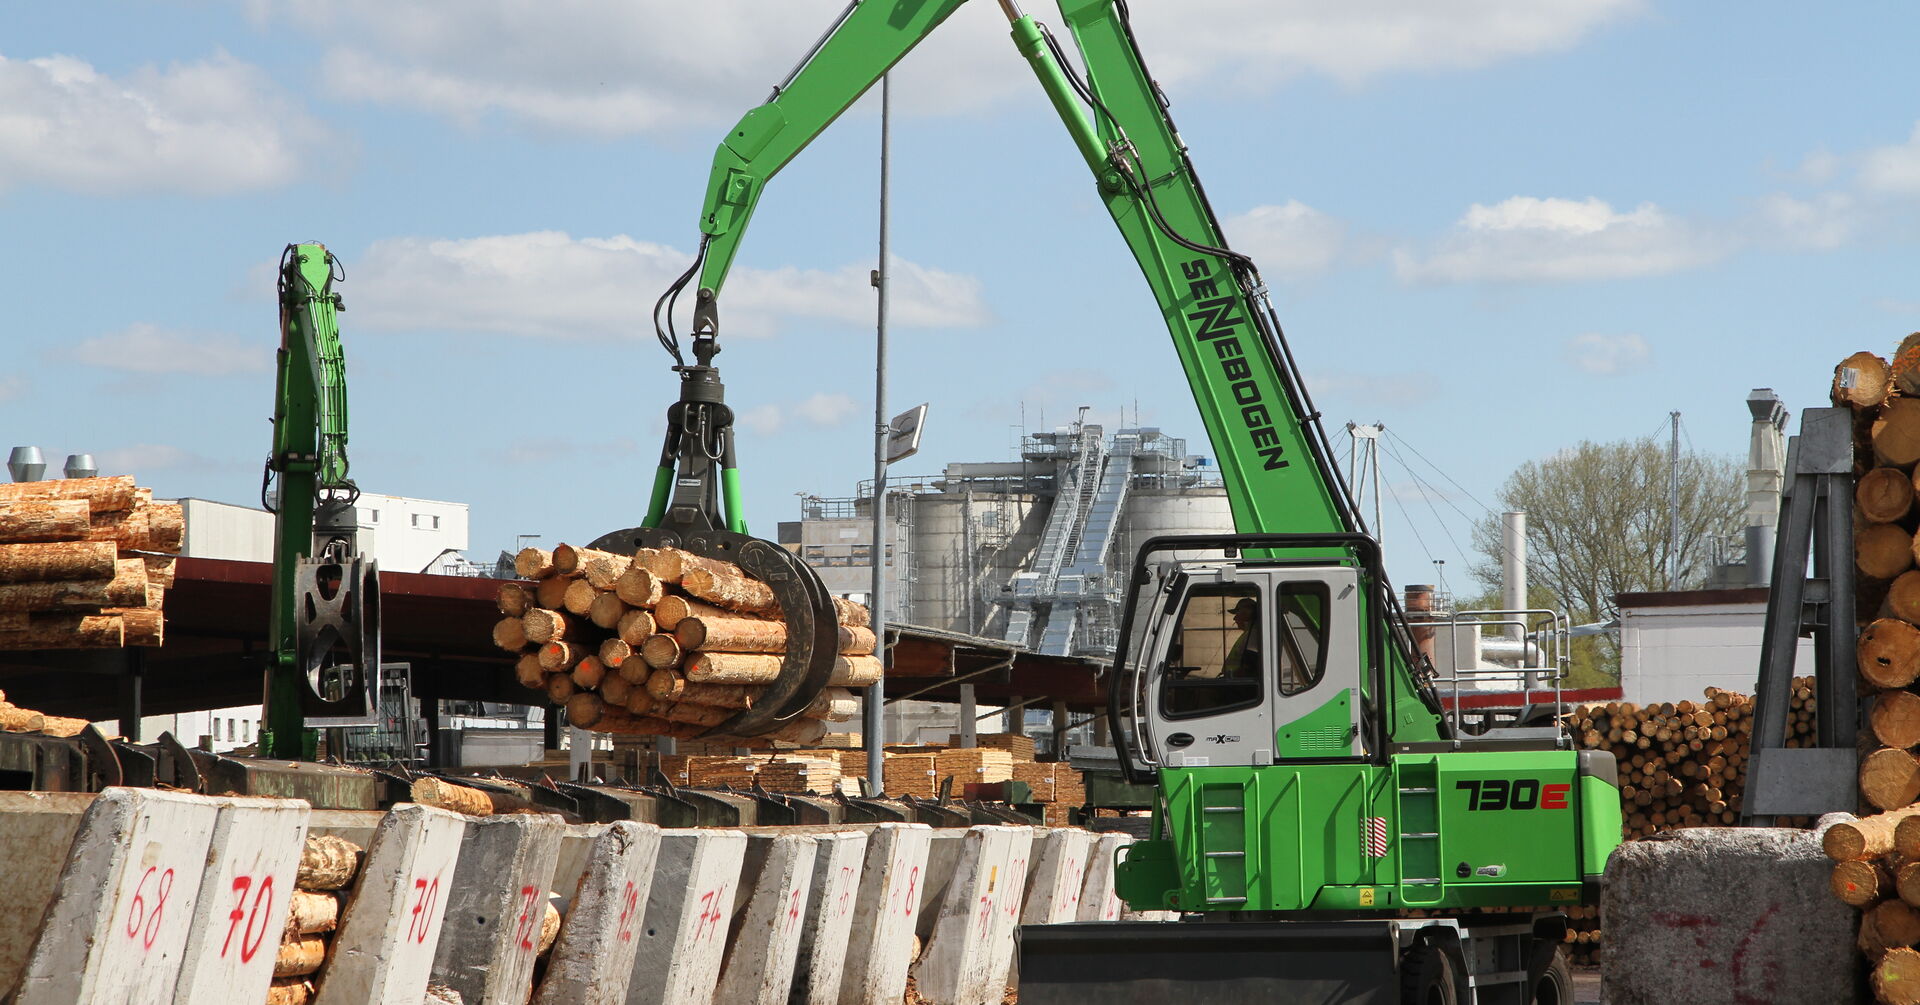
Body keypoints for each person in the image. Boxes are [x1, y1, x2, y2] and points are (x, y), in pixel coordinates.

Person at [1221, 596, 1261, 676]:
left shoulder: (1254, 635)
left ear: (1248, 614)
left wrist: (1232, 676)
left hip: (1238, 683)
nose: (1234, 618)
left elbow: (1250, 666)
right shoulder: (1248, 634)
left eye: (1238, 614)